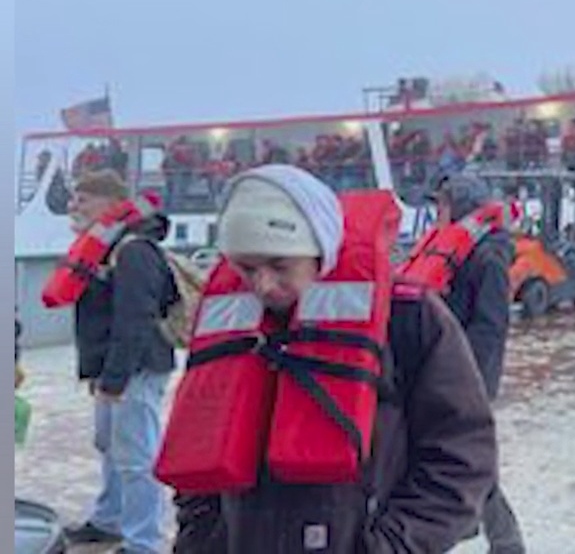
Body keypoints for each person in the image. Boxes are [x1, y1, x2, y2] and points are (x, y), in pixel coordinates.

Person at [169, 165, 498, 553]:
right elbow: (198, 453)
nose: (263, 285)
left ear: (321, 250)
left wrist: (391, 545)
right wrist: (202, 542)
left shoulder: (410, 319)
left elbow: (462, 455)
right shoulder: (231, 327)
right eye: (246, 268)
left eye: (280, 265)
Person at [61, 171, 176, 554]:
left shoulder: (133, 251)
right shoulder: (106, 248)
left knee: (135, 458)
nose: (74, 206)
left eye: (84, 199)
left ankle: (144, 542)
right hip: (114, 368)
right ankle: (109, 521)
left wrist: (115, 379)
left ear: (111, 204)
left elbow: (135, 319)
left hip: (135, 369)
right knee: (110, 447)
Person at [429, 173, 527, 554]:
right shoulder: (461, 250)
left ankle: (506, 542)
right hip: (444, 369)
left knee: (467, 459)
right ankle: (484, 532)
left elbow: (490, 327)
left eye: (441, 204)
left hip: (466, 374)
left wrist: (470, 382)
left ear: (459, 207)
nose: (437, 212)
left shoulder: (488, 256)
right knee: (459, 457)